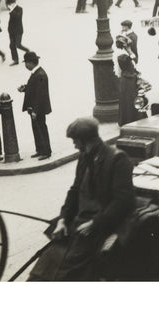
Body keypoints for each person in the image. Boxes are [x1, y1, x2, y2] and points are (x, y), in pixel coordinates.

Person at [30, 117, 136, 282]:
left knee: (66, 269)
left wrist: (95, 223)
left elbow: (123, 201)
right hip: (79, 222)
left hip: (100, 226)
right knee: (46, 261)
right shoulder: (84, 157)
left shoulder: (117, 159)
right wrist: (63, 219)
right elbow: (75, 191)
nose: (74, 145)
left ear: (86, 140)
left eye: (75, 141)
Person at [18, 51, 52, 159]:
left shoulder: (40, 74)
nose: (25, 66)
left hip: (38, 109)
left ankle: (46, 151)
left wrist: (35, 111)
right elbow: (34, 88)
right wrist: (25, 88)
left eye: (26, 63)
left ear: (31, 63)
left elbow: (40, 95)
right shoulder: (37, 73)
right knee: (36, 129)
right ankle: (40, 149)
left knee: (41, 128)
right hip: (34, 108)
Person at [116, 53, 147, 126]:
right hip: (133, 87)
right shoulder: (133, 75)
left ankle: (127, 119)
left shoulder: (123, 78)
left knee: (126, 101)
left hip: (126, 84)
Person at [6, 0, 28, 65]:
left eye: (9, 4)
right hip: (11, 30)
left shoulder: (19, 9)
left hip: (18, 30)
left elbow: (17, 17)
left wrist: (12, 10)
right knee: (12, 45)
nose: (9, 5)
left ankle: (27, 51)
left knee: (18, 44)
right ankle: (15, 60)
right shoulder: (11, 10)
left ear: (13, 3)